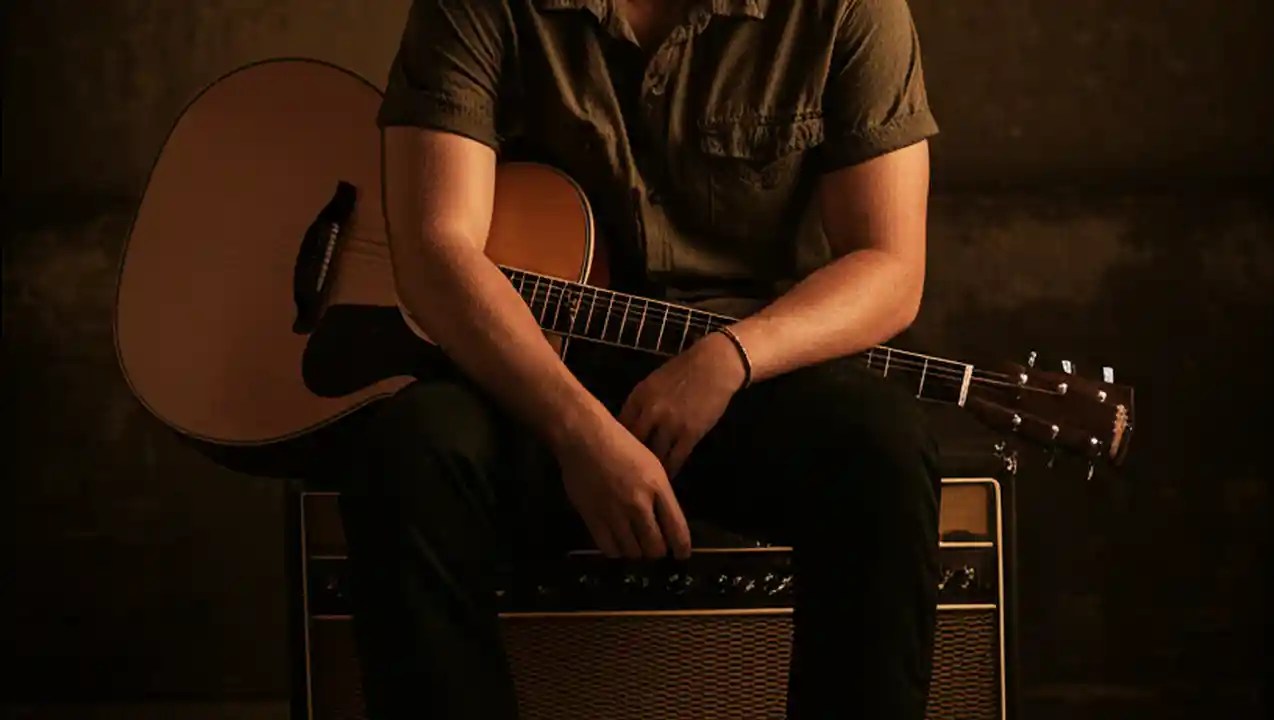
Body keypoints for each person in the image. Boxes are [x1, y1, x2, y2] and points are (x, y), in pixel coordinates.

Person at [330, 0, 943, 717]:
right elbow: (436, 250)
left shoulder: (849, 9)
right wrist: (577, 430)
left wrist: (727, 359)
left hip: (743, 372)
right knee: (412, 451)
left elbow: (890, 267)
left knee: (885, 450)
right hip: (528, 371)